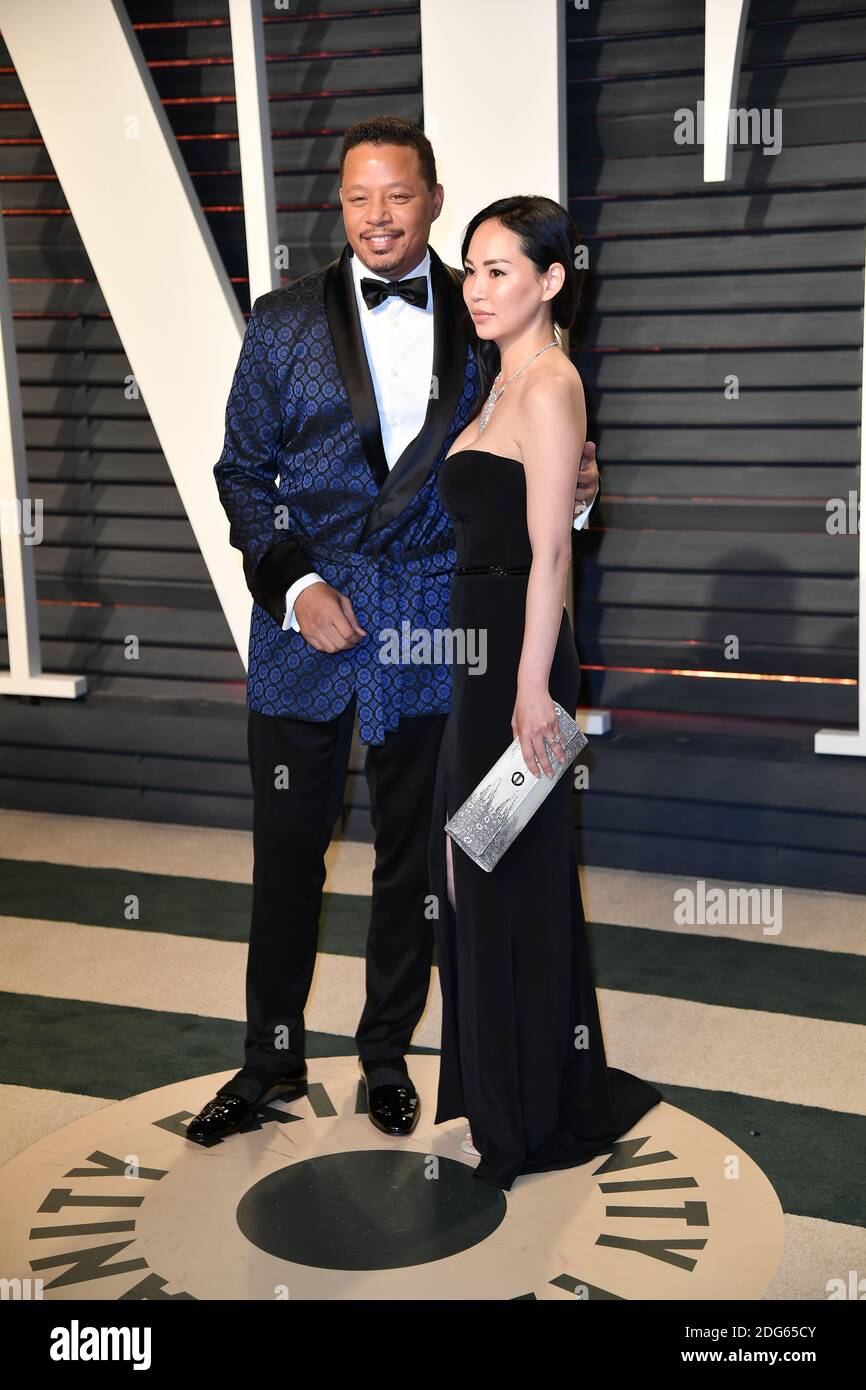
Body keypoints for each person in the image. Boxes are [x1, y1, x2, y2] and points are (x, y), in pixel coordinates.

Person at [188, 118, 600, 1146]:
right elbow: (241, 477)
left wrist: (580, 494)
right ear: (340, 206)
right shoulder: (280, 324)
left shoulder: (485, 328)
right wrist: (294, 581)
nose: (376, 215)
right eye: (357, 197)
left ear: (431, 198)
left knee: (410, 866)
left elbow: (518, 483)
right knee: (287, 855)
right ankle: (268, 1061)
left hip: (431, 626)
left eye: (398, 195)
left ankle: (384, 1055)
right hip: (303, 635)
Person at [428, 195, 662, 1191]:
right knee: (475, 866)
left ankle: (523, 1116)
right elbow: (543, 507)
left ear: (551, 279)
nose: (476, 288)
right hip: (478, 651)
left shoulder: (547, 385)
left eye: (498, 270)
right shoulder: (498, 383)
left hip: (520, 661)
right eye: (470, 269)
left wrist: (532, 691)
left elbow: (550, 551)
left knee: (494, 872)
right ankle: (514, 1089)